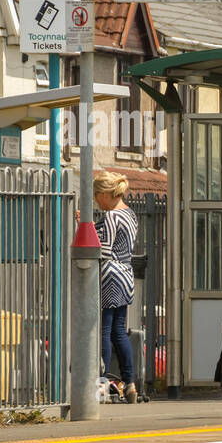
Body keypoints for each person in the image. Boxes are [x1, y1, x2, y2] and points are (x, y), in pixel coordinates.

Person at [93, 171, 139, 403]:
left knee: (104, 330)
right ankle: (130, 384)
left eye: (96, 196)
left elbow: (104, 250)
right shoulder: (129, 214)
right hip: (125, 274)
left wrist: (88, 231)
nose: (95, 201)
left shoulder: (111, 217)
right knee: (119, 330)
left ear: (104, 194)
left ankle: (101, 386)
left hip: (109, 275)